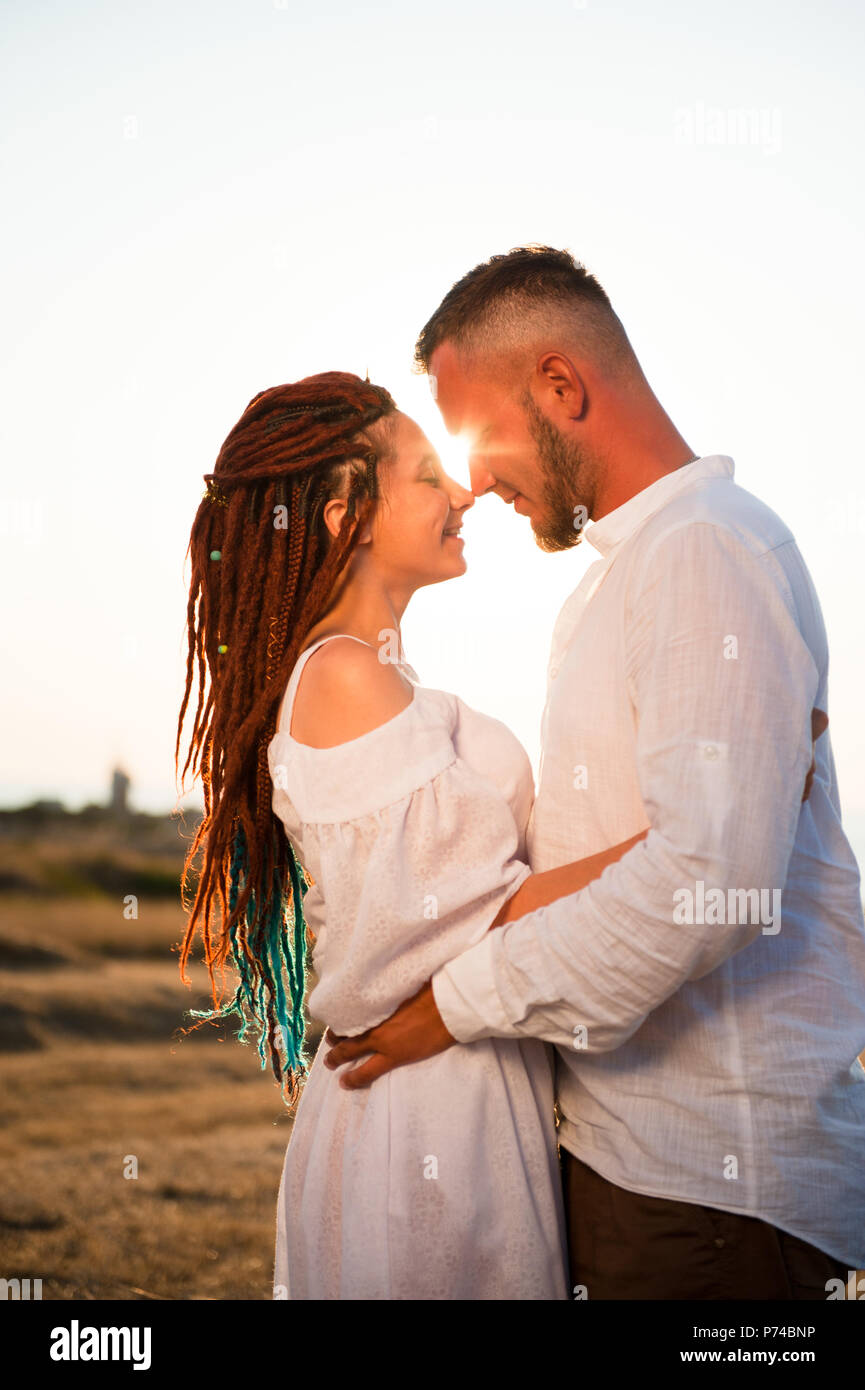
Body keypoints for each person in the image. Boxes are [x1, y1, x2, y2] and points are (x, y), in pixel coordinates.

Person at [322, 246, 865, 1300]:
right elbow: (644, 853)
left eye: (484, 437)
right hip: (643, 1170)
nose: (474, 480)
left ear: (562, 387)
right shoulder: (634, 576)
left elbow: (703, 884)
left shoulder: (704, 553)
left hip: (710, 1190)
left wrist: (454, 1002)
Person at [175, 370, 667, 1299]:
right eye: (425, 476)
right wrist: (688, 833)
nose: (462, 490)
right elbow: (481, 920)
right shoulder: (343, 681)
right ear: (343, 515)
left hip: (466, 1088)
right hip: (424, 1114)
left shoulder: (377, 679)